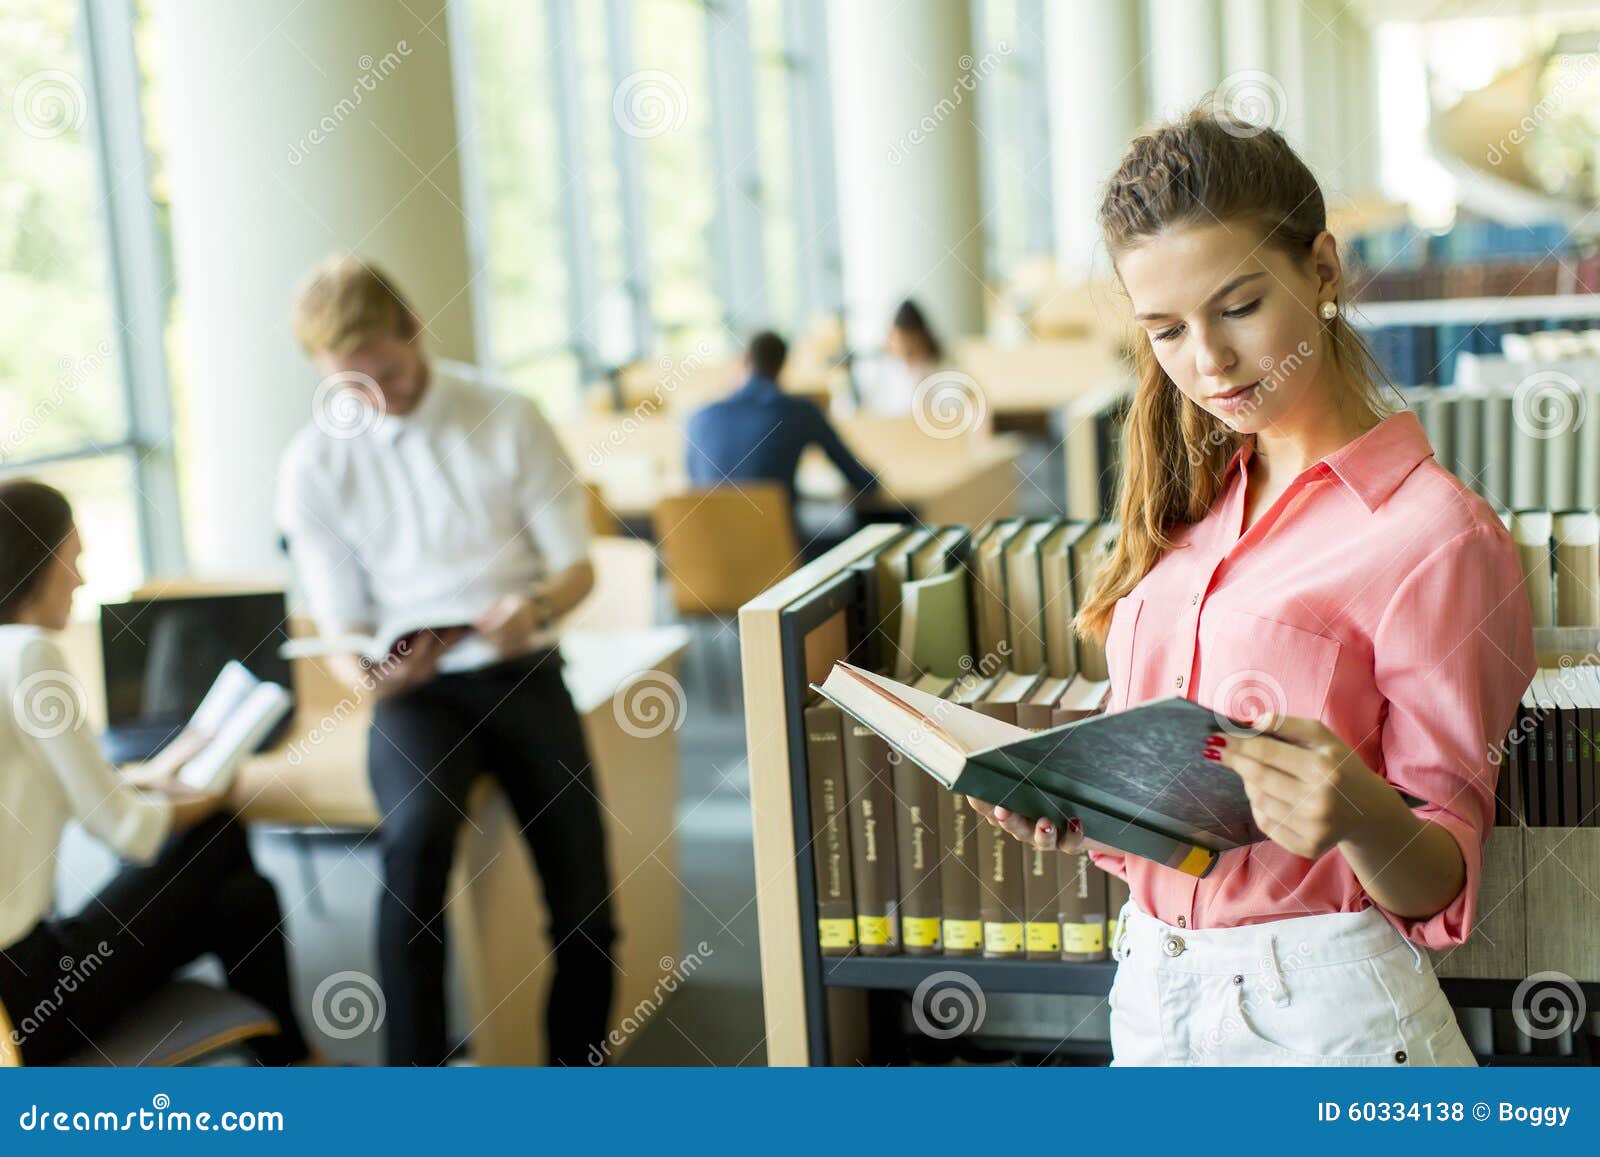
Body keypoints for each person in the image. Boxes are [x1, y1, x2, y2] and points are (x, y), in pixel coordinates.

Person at [970, 108, 1535, 1066]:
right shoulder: (1186, 505)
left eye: (1236, 308)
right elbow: (1171, 801)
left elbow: (1441, 886)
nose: (1209, 361)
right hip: (1150, 991)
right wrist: (1084, 805)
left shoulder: (1436, 537)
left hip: (1323, 1019)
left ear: (1321, 270)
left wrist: (1359, 810)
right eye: (1166, 331)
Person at [275, 255, 614, 1066]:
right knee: (415, 852)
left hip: (520, 668)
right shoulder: (312, 464)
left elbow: (580, 568)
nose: (375, 399)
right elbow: (342, 625)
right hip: (416, 696)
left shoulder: (506, 414)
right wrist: (372, 673)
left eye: (387, 373)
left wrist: (531, 609)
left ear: (414, 332)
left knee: (583, 896)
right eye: (351, 386)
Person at [0, 480, 313, 1066]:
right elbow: (127, 834)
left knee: (243, 896)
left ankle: (294, 1063)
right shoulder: (28, 654)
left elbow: (45, 783)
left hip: (19, 987)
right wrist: (218, 783)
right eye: (74, 559)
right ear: (36, 561)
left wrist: (151, 773)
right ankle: (298, 1065)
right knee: (219, 836)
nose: (81, 579)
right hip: (30, 1001)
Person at [686, 331, 883, 557]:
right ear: (783, 365)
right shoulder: (801, 411)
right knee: (854, 534)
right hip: (778, 563)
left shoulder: (699, 418)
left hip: (712, 563)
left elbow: (695, 486)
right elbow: (862, 482)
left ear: (744, 361)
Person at [858, 298, 947, 416]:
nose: (906, 351)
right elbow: (869, 406)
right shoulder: (886, 368)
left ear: (922, 339)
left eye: (911, 347)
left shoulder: (938, 370)